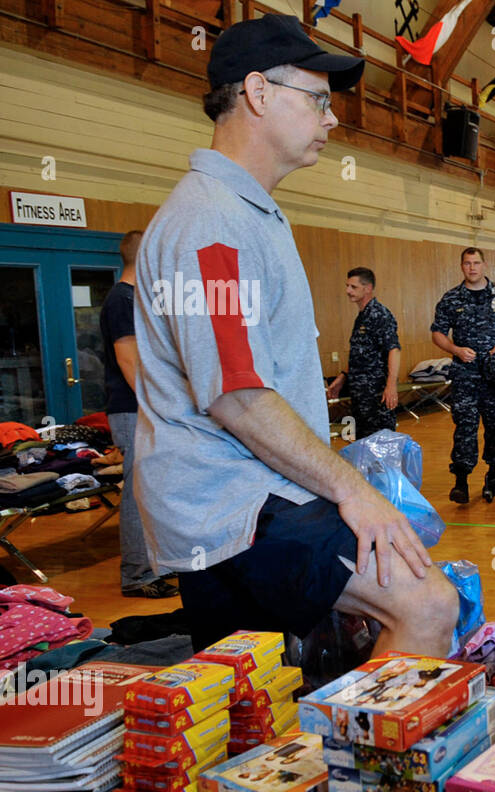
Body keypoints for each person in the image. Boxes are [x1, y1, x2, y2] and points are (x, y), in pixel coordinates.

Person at [132, 14, 457, 654]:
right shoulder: (212, 224)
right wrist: (354, 493)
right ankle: (380, 758)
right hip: (233, 502)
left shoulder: (249, 212)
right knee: (426, 604)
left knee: (265, 689)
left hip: (254, 493)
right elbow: (237, 395)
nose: (331, 119)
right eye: (317, 100)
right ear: (256, 93)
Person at [99, 229, 178, 599]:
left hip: (142, 407)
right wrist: (156, 404)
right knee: (138, 492)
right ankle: (137, 574)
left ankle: (158, 564)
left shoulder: (135, 299)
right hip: (133, 409)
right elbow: (127, 358)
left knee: (154, 490)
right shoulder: (121, 300)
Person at [431, 248, 495, 503]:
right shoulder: (452, 298)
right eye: (467, 263)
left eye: (476, 263)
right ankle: (461, 481)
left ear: (484, 265)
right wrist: (455, 349)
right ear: (461, 266)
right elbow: (438, 332)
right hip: (466, 375)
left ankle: (493, 475)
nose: (472, 268)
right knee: (465, 427)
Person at [325, 267, 400, 440]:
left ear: (367, 288)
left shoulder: (380, 314)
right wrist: (342, 377)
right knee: (364, 443)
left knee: (381, 444)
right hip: (361, 396)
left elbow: (394, 350)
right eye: (347, 286)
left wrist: (391, 386)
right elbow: (361, 355)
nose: (348, 291)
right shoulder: (362, 316)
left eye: (353, 287)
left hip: (377, 395)